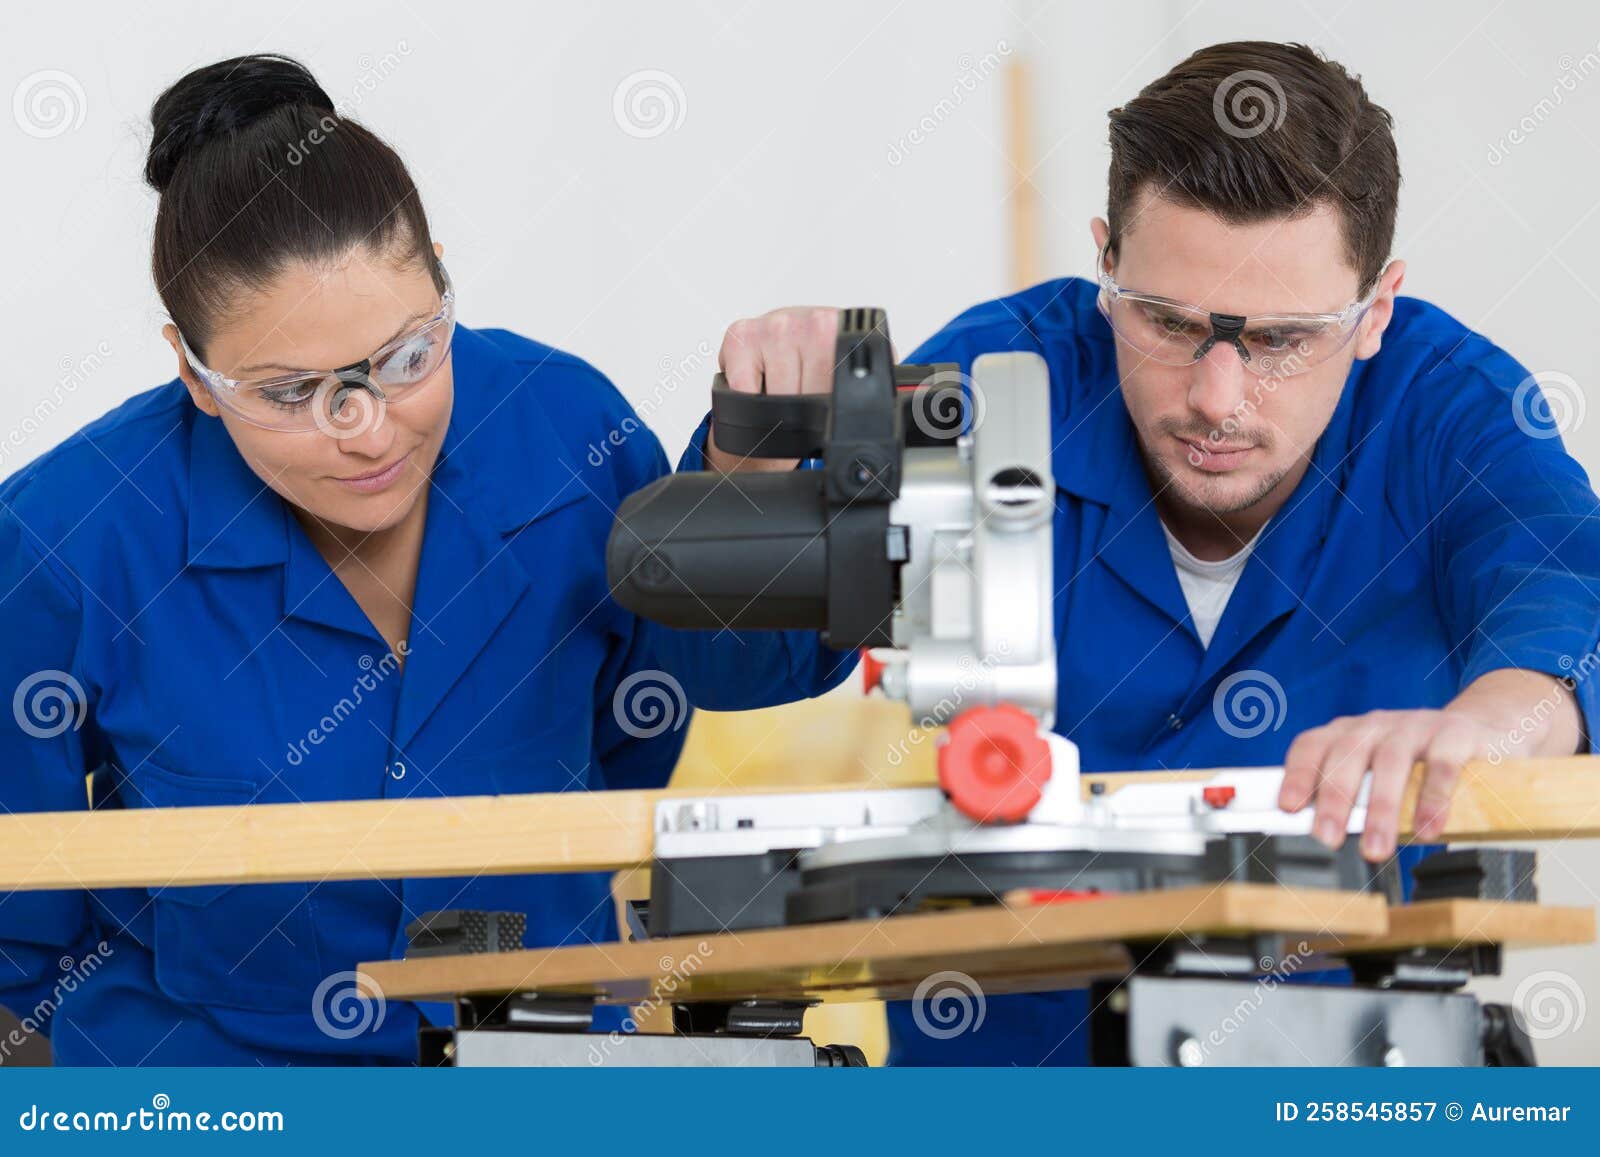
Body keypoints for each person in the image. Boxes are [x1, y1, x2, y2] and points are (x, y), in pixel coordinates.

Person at [705, 40, 1600, 1065]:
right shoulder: (994, 380)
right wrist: (755, 457)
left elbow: (1566, 587)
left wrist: (1498, 717)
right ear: (1105, 265)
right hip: (1007, 1076)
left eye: (1279, 340)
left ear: (1374, 311)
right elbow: (736, 667)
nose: (1217, 396)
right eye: (1169, 323)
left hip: (1344, 1074)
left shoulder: (1449, 411)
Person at [0, 54, 848, 1065]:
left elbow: (714, 680)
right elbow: (20, 927)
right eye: (288, 392)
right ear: (192, 368)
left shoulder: (562, 425)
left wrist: (748, 480)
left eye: (406, 356)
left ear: (441, 277)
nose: (364, 429)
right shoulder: (70, 536)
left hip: (545, 1062)